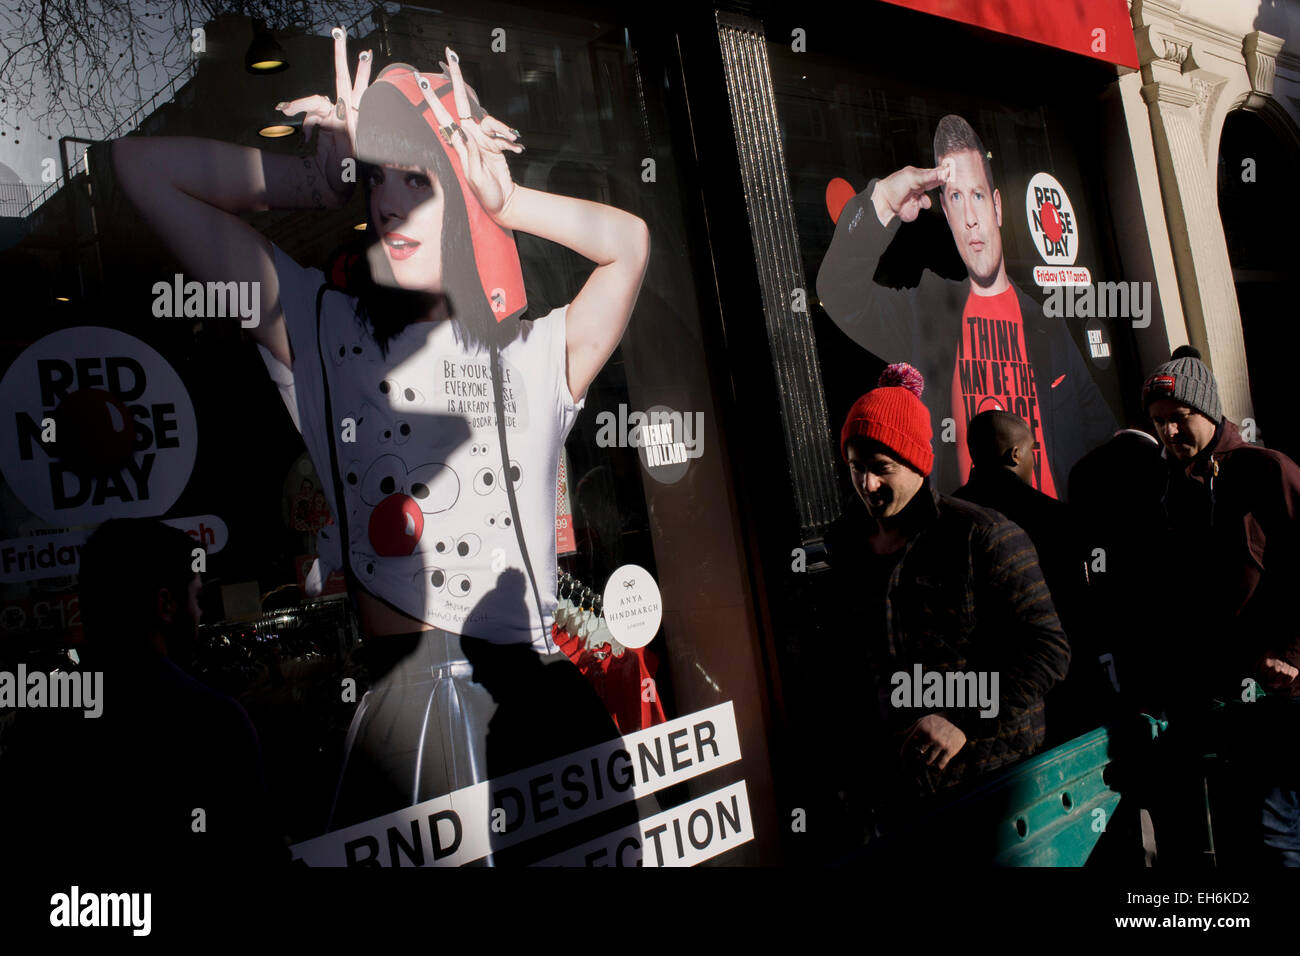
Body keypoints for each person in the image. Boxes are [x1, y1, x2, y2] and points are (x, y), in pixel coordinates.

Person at [113, 29, 649, 848]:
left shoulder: (535, 351)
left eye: (417, 178)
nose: (388, 201)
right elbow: (141, 171)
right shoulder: (325, 334)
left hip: (544, 710)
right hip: (411, 725)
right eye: (378, 178)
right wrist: (306, 178)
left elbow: (629, 246)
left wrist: (511, 203)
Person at [823, 363, 1069, 858]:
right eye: (854, 467)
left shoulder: (982, 535)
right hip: (897, 799)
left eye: (880, 467)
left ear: (916, 461)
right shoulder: (846, 547)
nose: (866, 483)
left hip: (992, 792)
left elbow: (1047, 652)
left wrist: (961, 716)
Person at [817, 114, 1116, 497]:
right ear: (945, 210)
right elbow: (840, 293)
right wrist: (885, 200)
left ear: (997, 207)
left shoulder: (1045, 325)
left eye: (977, 196)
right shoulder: (926, 311)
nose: (971, 219)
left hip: (1048, 547)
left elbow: (1101, 433)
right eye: (956, 199)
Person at [3, 519, 289, 869]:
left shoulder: (41, 720)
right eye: (196, 598)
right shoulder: (211, 722)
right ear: (166, 604)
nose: (200, 614)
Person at [1140, 347, 1300, 865]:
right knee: (1235, 835)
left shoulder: (1266, 470)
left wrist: (1292, 653)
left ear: (1208, 411)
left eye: (1179, 419)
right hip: (1214, 696)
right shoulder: (1167, 488)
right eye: (1158, 422)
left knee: (1274, 833)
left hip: (1278, 691)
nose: (1168, 433)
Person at [954, 410, 1102, 741]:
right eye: (1032, 451)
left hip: (976, 699)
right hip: (1051, 695)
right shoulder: (1054, 518)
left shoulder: (949, 518)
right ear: (1015, 454)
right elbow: (1074, 617)